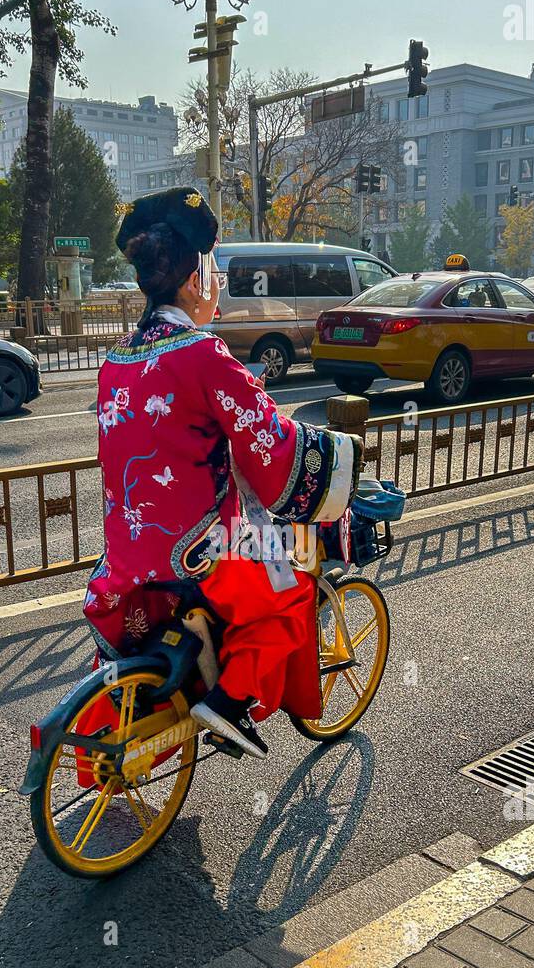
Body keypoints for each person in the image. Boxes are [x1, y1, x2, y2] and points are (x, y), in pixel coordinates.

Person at [83, 186, 361, 758]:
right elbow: (270, 444)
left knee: (262, 565)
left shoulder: (119, 358)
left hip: (129, 552)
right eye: (214, 273)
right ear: (193, 281)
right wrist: (333, 453)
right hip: (200, 549)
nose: (219, 286)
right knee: (289, 587)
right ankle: (230, 703)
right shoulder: (202, 353)